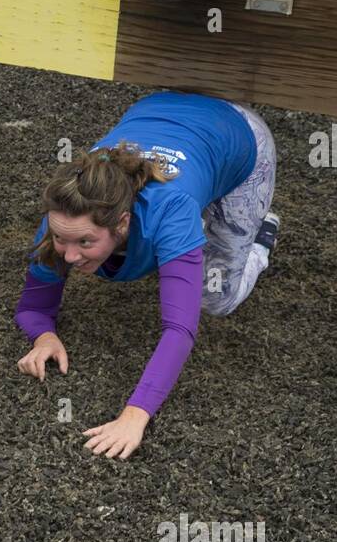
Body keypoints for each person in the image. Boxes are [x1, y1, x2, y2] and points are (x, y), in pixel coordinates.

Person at [14, 92, 281, 459]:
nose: (70, 255)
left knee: (216, 298)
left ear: (122, 223)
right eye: (62, 239)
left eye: (85, 242)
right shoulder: (65, 215)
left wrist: (135, 415)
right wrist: (43, 336)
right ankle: (191, 233)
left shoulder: (170, 211)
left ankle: (262, 235)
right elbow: (32, 307)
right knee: (176, 246)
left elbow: (180, 329)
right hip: (159, 107)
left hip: (238, 136)